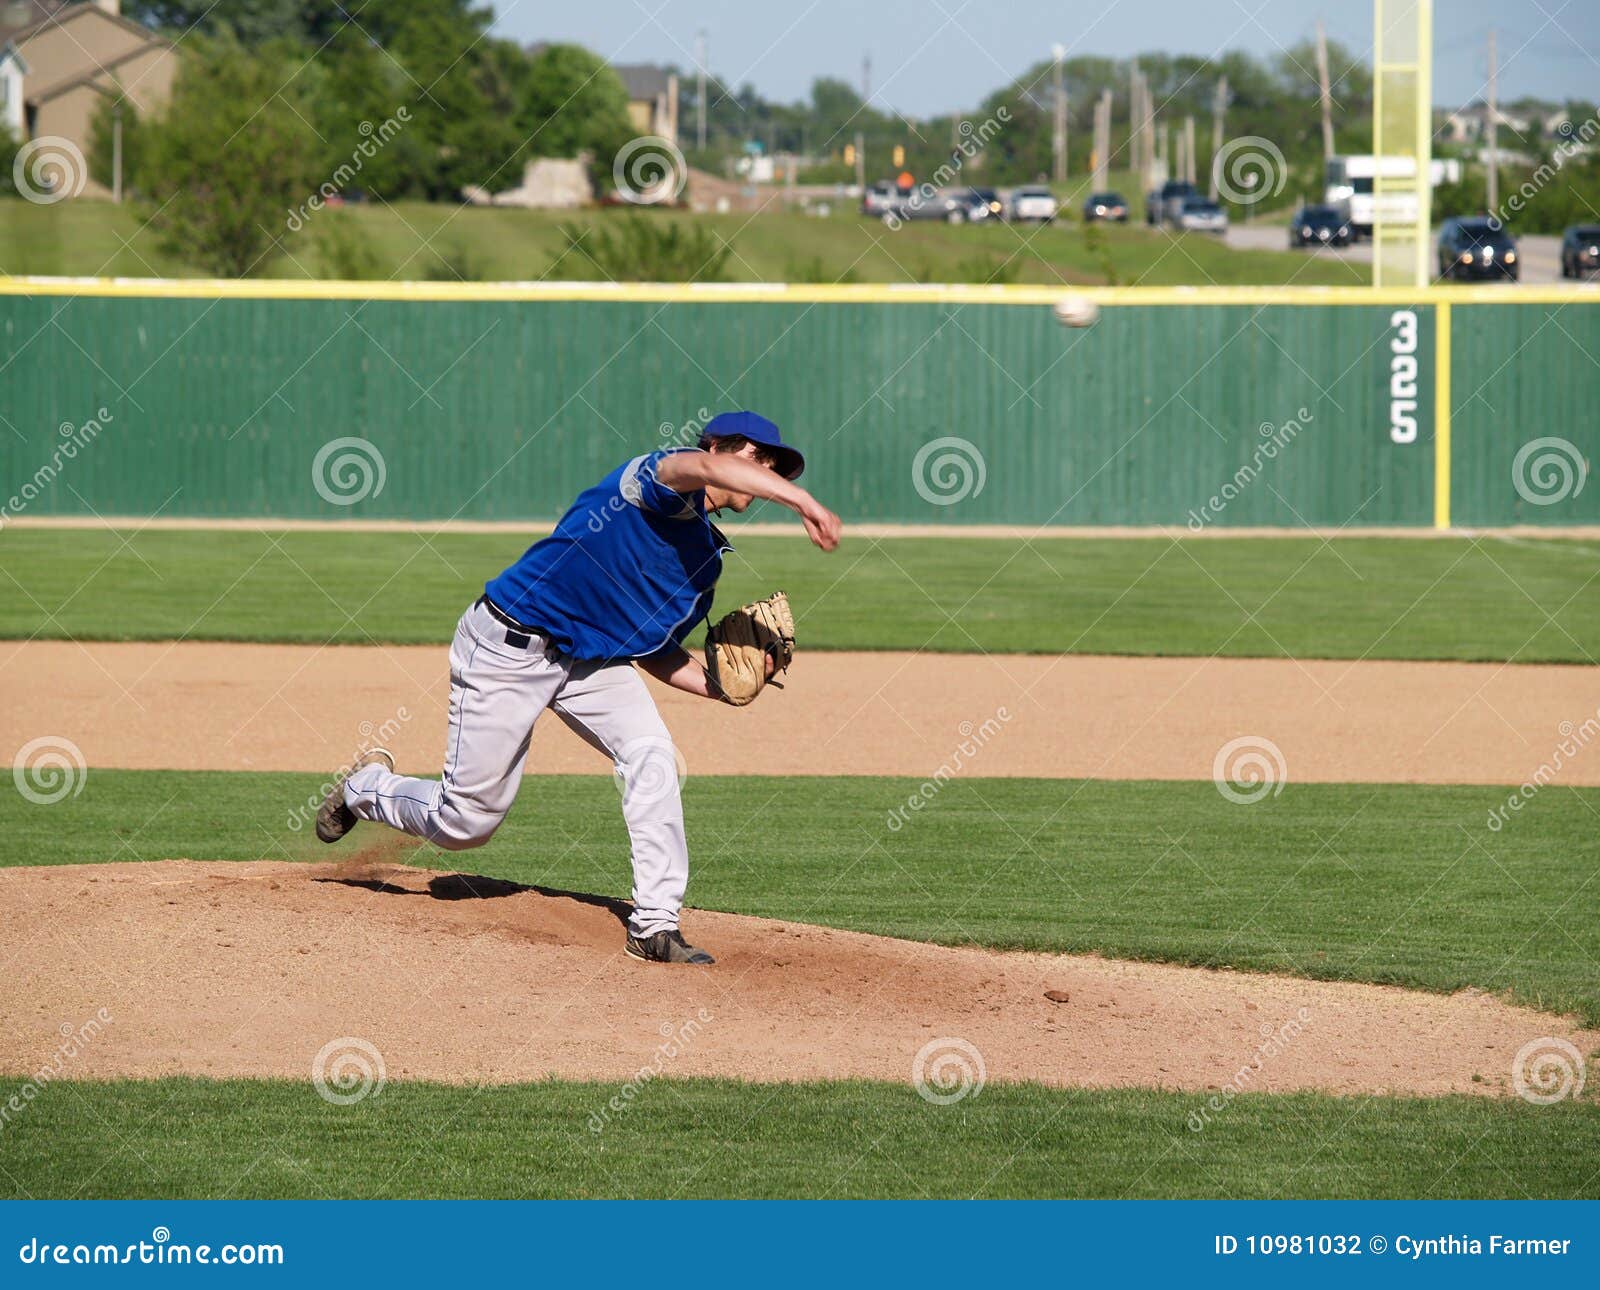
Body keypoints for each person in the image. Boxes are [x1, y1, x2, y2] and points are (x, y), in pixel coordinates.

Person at [314, 411, 842, 965]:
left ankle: (655, 926)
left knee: (653, 754)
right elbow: (706, 468)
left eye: (778, 467)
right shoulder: (653, 483)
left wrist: (720, 687)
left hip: (588, 662)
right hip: (507, 646)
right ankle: (366, 787)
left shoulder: (703, 564)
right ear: (716, 446)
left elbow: (653, 650)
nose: (770, 472)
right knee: (466, 823)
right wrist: (804, 503)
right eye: (759, 458)